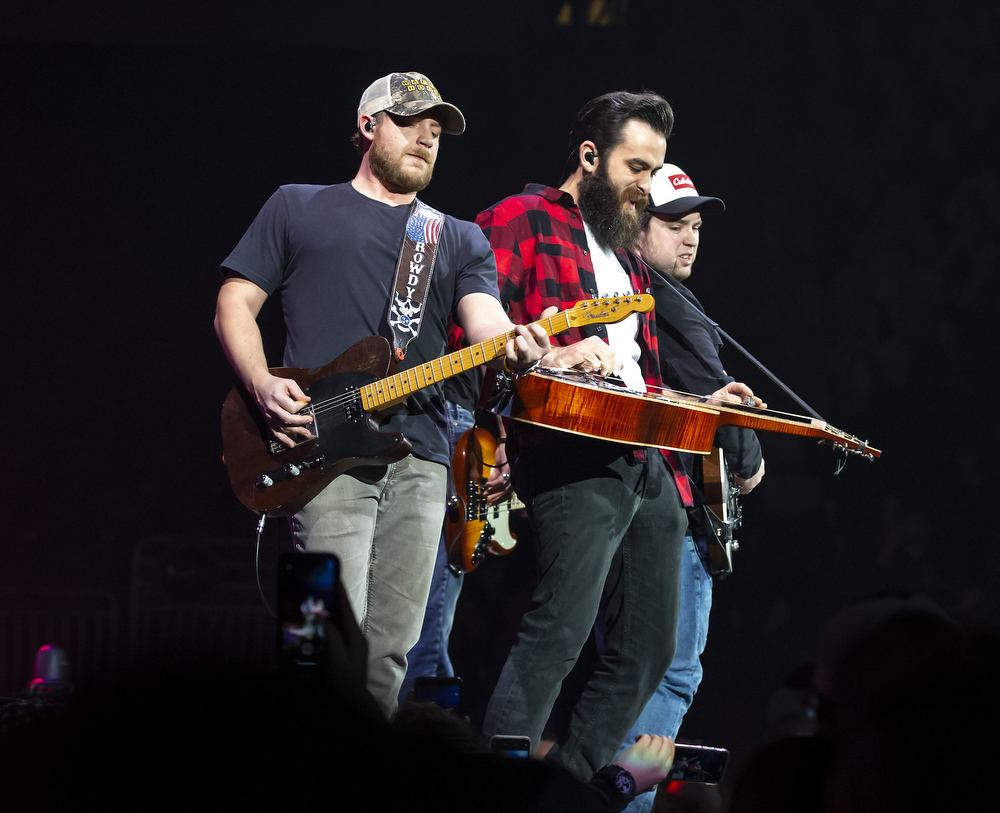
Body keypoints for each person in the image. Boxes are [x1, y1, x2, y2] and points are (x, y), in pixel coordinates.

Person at [214, 72, 551, 718]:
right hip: (315, 446)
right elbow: (235, 302)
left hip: (421, 458)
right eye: (412, 120)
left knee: (392, 649)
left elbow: (487, 325)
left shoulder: (455, 237)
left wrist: (523, 342)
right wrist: (262, 384)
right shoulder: (297, 205)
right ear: (368, 126)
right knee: (317, 639)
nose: (428, 135)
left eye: (438, 128)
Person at [475, 91, 758, 784]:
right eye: (636, 165)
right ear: (589, 156)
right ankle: (498, 788)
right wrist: (546, 357)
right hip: (573, 452)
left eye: (654, 166)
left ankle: (571, 788)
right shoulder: (520, 220)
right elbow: (472, 337)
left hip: (646, 458)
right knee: (559, 633)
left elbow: (640, 370)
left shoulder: (628, 249)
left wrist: (698, 402)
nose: (646, 183)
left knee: (651, 648)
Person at [614, 165, 765, 812]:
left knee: (637, 672)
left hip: (654, 503)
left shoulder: (654, 293)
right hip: (668, 505)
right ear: (635, 224)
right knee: (667, 673)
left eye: (696, 226)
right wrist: (752, 462)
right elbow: (721, 409)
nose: (690, 238)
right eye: (675, 224)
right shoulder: (663, 299)